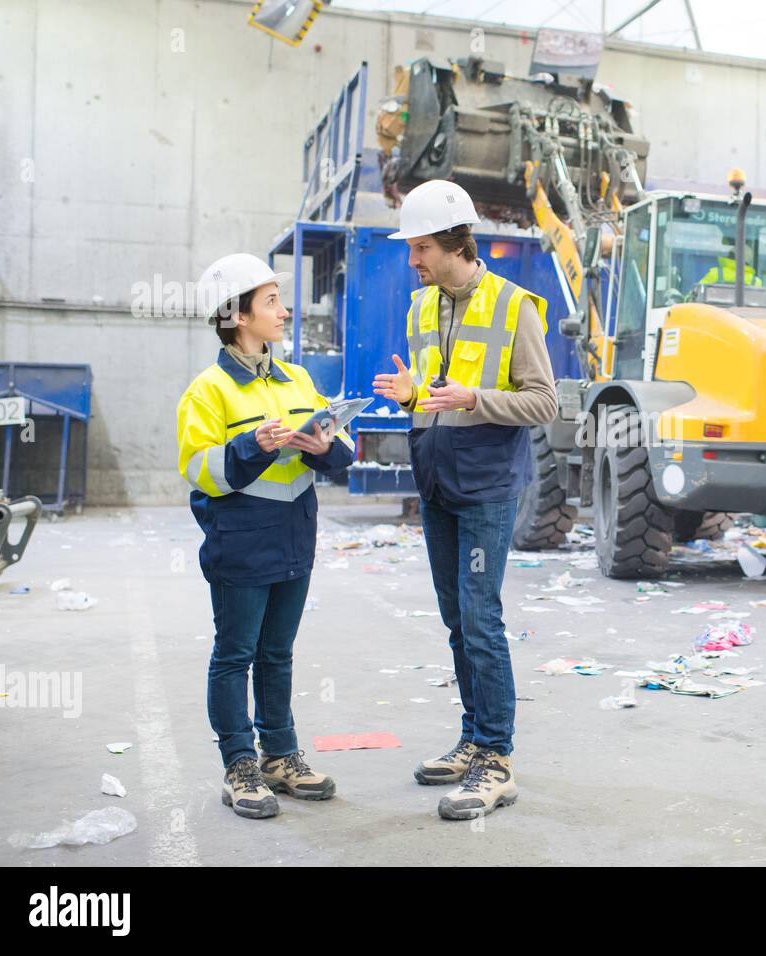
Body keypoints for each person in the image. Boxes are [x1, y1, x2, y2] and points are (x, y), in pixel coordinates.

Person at [372, 180, 557, 821]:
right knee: (456, 620)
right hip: (438, 484)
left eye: (421, 248)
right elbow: (433, 395)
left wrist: (477, 400)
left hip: (486, 487)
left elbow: (544, 402)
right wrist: (409, 394)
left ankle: (496, 760)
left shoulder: (516, 307)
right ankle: (473, 738)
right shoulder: (424, 306)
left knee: (481, 619)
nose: (412, 261)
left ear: (455, 244)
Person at [178, 253, 355, 819]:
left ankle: (280, 755)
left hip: (293, 539)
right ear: (238, 314)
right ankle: (239, 764)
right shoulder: (208, 391)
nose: (284, 311)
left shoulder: (297, 378)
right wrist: (256, 443)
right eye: (271, 301)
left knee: (276, 654)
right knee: (235, 655)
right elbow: (199, 469)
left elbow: (342, 454)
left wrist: (328, 446)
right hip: (241, 542)